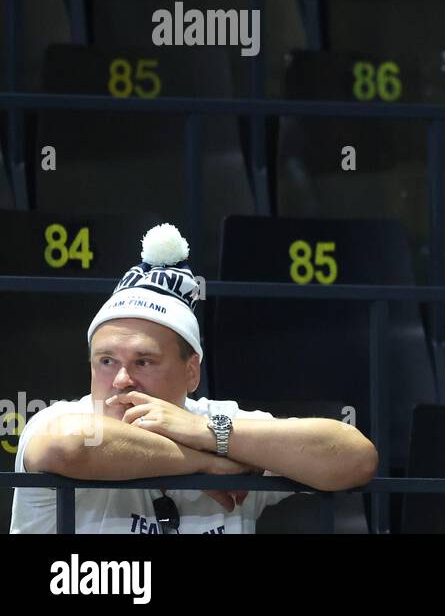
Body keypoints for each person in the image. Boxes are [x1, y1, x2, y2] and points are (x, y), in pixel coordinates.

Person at [10, 223, 378, 533]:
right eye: (106, 361)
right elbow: (67, 447)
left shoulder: (217, 424)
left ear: (191, 372)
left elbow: (355, 458)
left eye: (144, 362)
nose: (121, 379)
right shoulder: (63, 420)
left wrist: (208, 434)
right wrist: (204, 462)